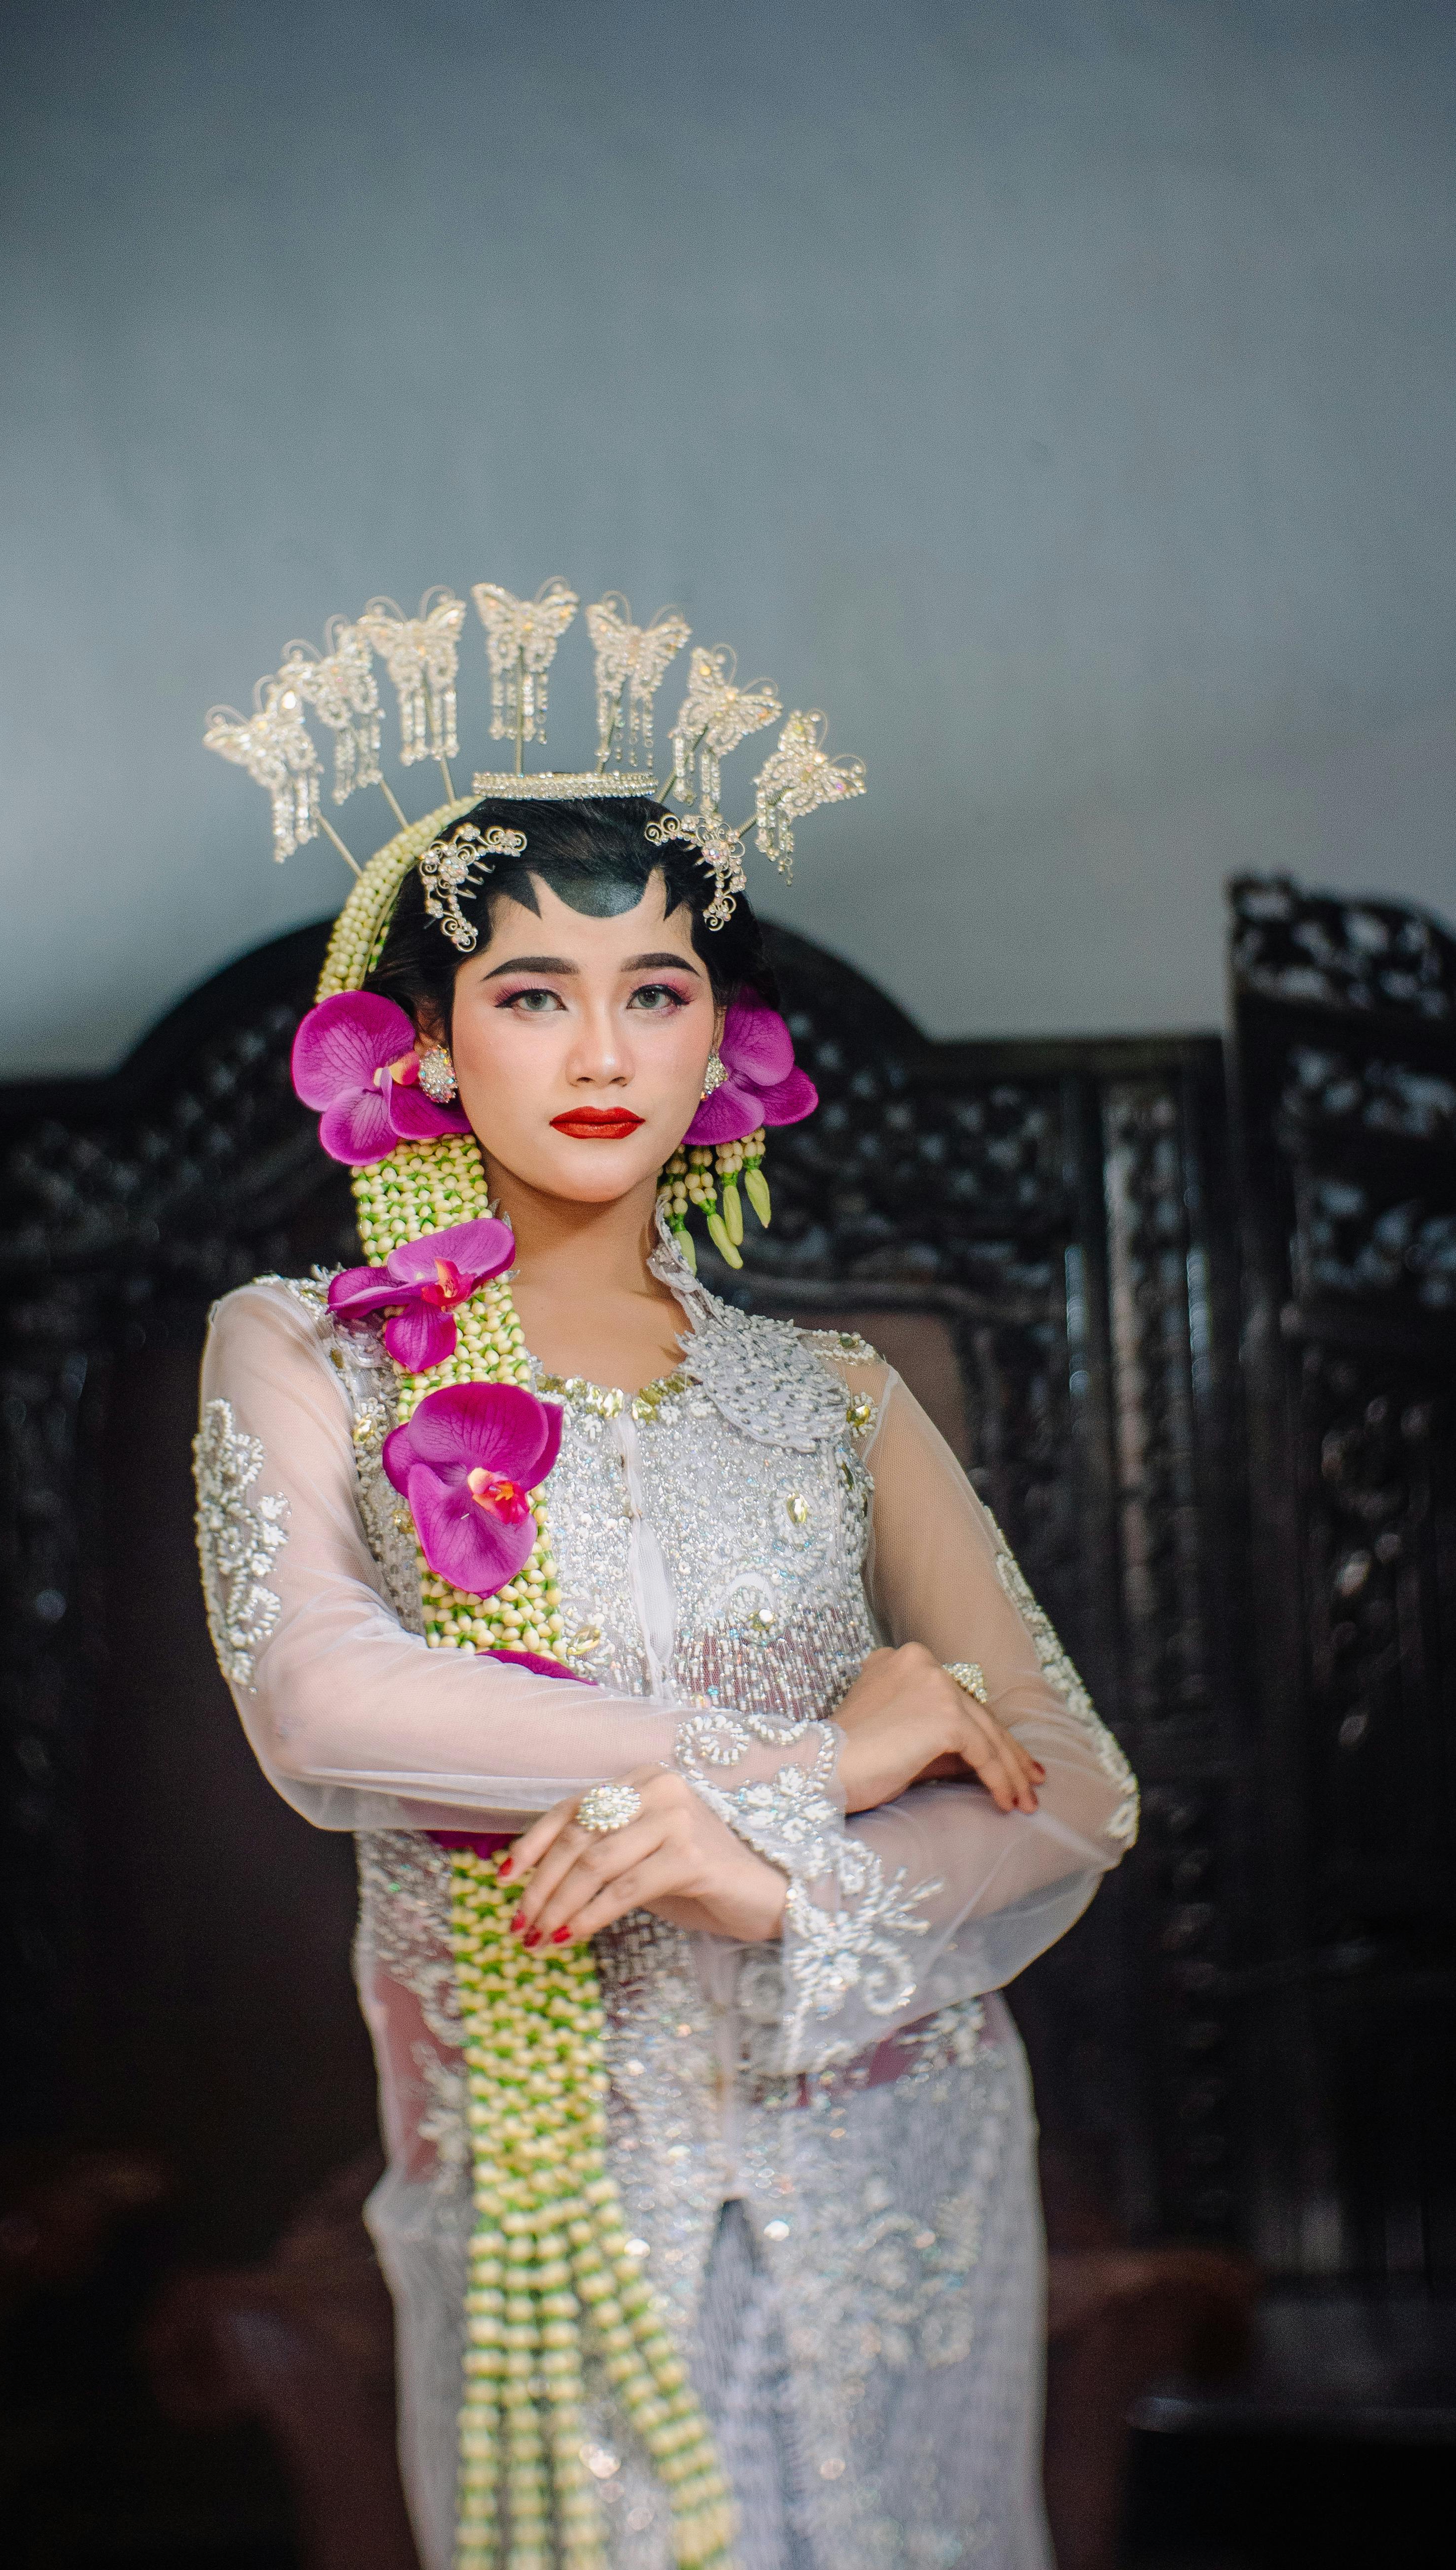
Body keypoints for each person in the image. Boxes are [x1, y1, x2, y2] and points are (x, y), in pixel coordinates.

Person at [196, 604, 1137, 2570]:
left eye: (659, 988)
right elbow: (321, 1702)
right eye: (533, 992)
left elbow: (1078, 1786)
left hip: (897, 2151)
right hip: (554, 2197)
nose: (605, 1049)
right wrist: (810, 1743)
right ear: (426, 1038)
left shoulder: (830, 1395)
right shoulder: (313, 1351)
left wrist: (778, 1868)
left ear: (726, 1039)